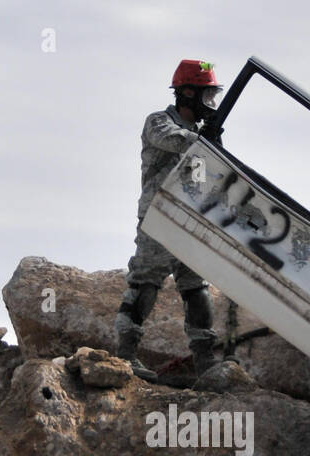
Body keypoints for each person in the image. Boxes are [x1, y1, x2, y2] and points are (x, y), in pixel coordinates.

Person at [115, 59, 224, 383]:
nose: (210, 105)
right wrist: (207, 142)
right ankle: (125, 356)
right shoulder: (159, 123)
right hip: (160, 214)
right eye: (206, 96)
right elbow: (178, 141)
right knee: (145, 281)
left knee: (196, 289)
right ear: (187, 93)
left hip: (190, 220)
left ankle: (205, 363)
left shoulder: (200, 135)